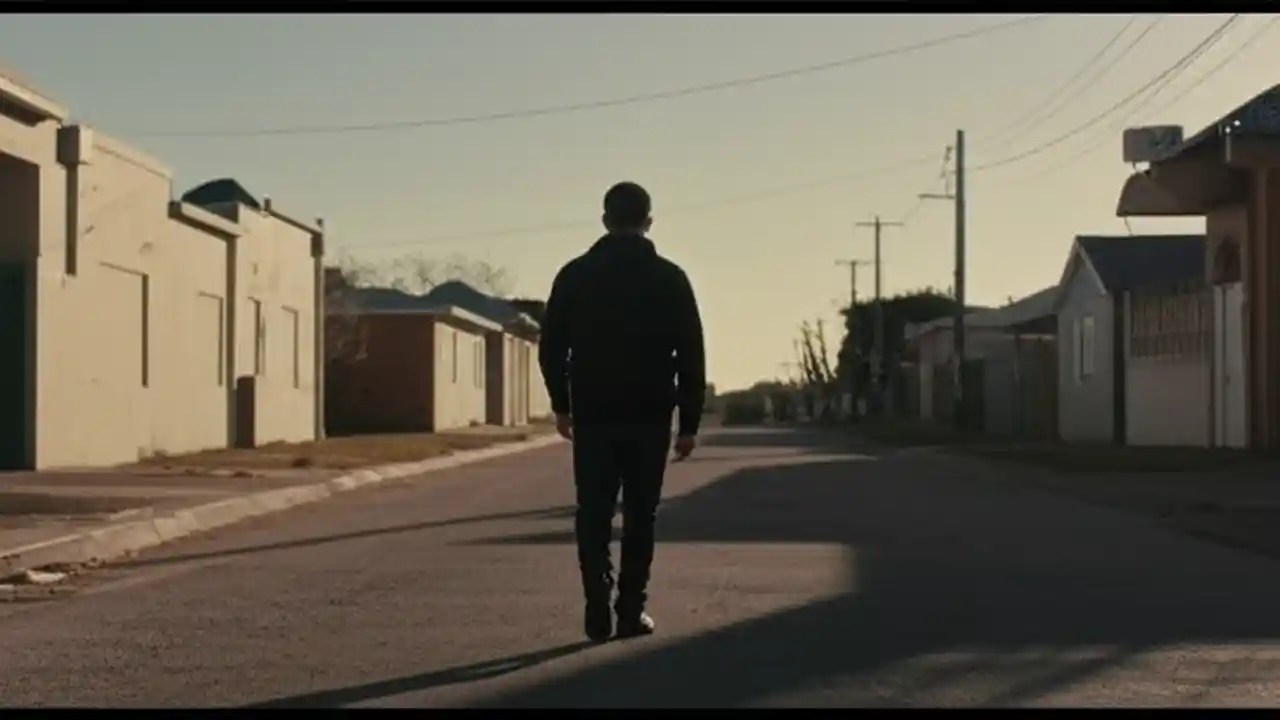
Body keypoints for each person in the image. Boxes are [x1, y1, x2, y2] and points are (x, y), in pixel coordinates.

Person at [539, 181, 706, 643]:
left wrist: (561, 403)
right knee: (640, 514)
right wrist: (688, 422)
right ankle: (630, 609)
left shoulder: (575, 274)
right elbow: (692, 351)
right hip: (650, 413)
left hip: (594, 411)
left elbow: (551, 346)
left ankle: (597, 602)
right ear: (648, 222)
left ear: (605, 220)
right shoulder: (670, 278)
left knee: (592, 510)